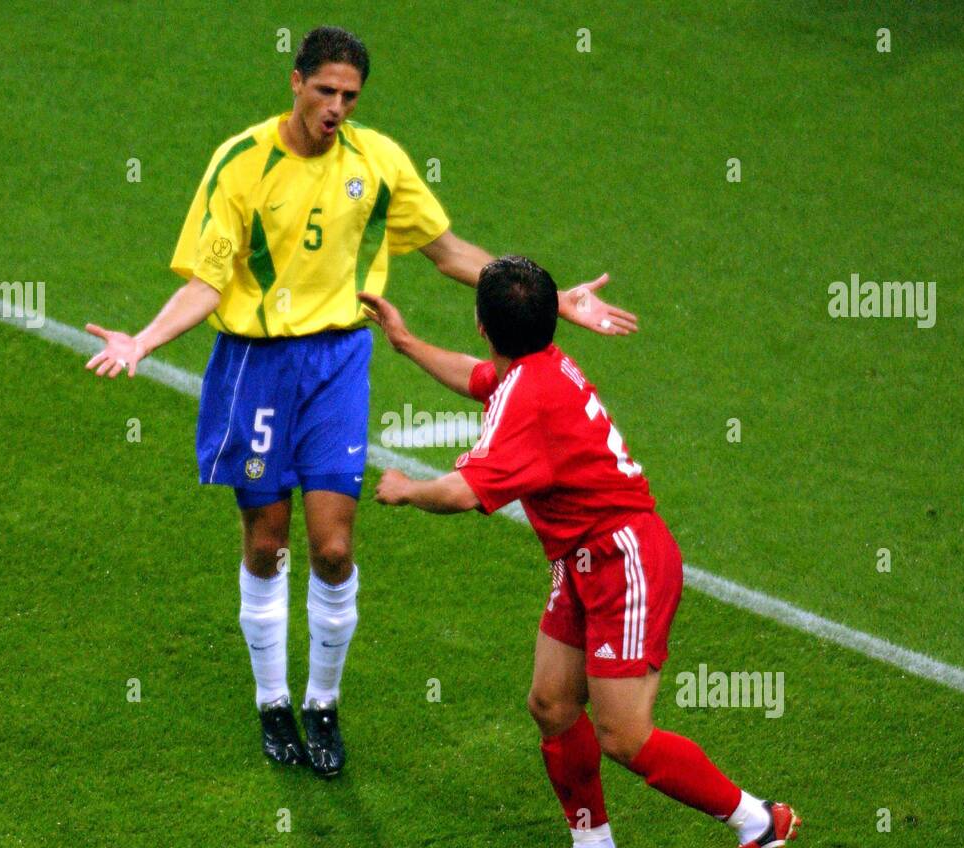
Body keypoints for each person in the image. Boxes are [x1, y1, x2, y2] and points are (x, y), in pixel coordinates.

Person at [82, 27, 637, 778]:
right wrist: (142, 342)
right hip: (256, 362)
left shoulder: (378, 164)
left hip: (339, 360)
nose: (336, 107)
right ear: (295, 82)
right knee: (266, 541)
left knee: (335, 547)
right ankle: (272, 699)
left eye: (349, 96)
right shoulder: (241, 165)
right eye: (325, 91)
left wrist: (545, 291)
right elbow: (208, 283)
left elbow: (448, 252)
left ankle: (322, 702)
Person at [362, 256, 801, 848]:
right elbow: (475, 377)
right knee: (552, 704)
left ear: (482, 325)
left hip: (626, 562)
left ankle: (759, 820)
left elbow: (465, 493)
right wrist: (405, 342)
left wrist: (408, 489)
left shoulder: (528, 400)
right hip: (583, 559)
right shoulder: (535, 368)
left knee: (624, 736)